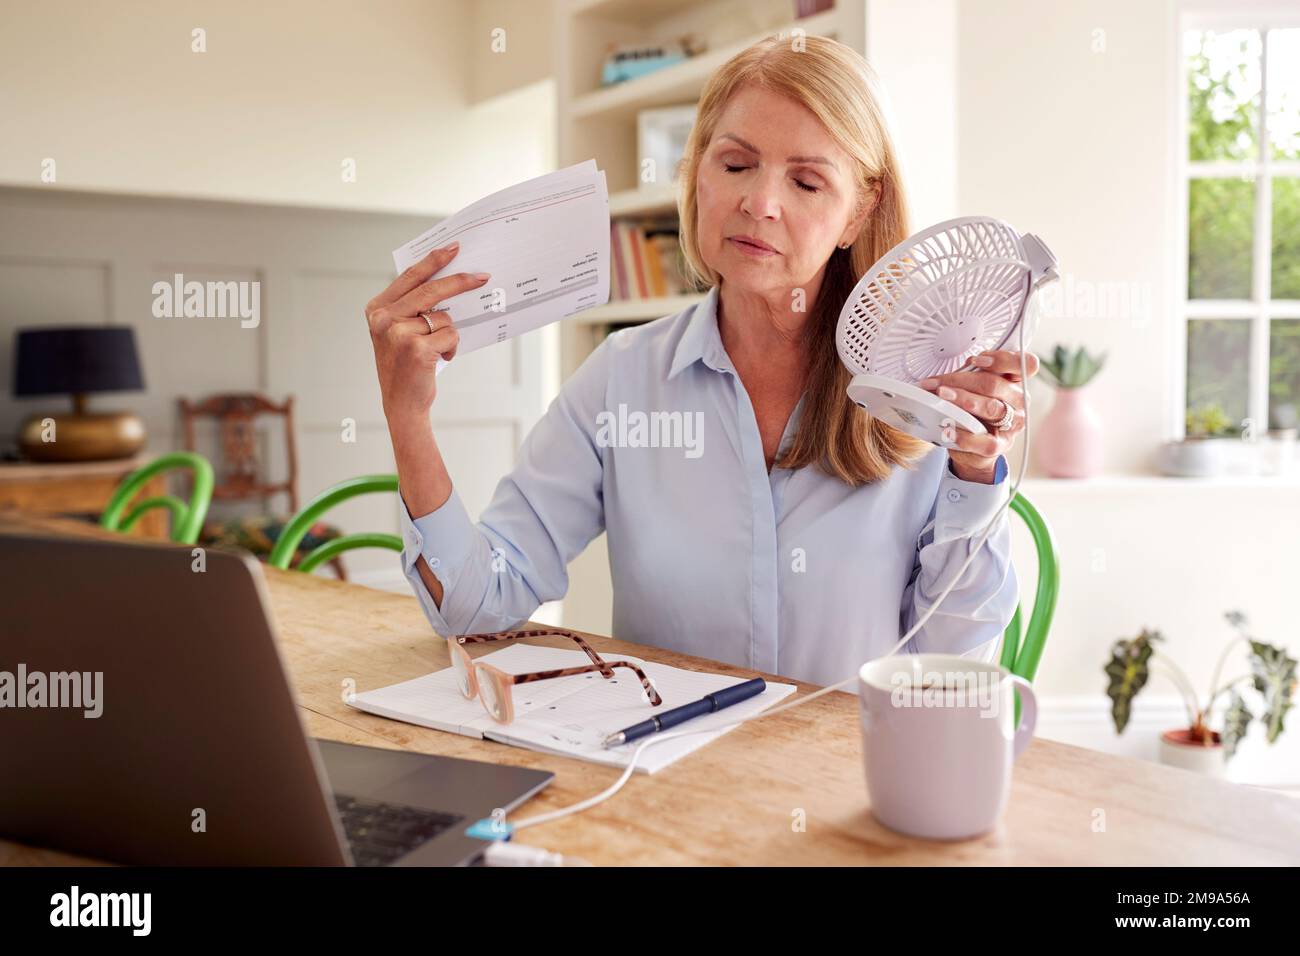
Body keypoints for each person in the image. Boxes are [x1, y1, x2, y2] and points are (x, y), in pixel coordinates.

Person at [363, 35, 1036, 687]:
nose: (759, 203)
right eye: (736, 165)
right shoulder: (621, 379)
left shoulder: (919, 391)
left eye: (806, 181)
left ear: (860, 213)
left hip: (849, 761)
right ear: (696, 174)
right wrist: (407, 414)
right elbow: (477, 607)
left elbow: (952, 664)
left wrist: (973, 474)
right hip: (667, 760)